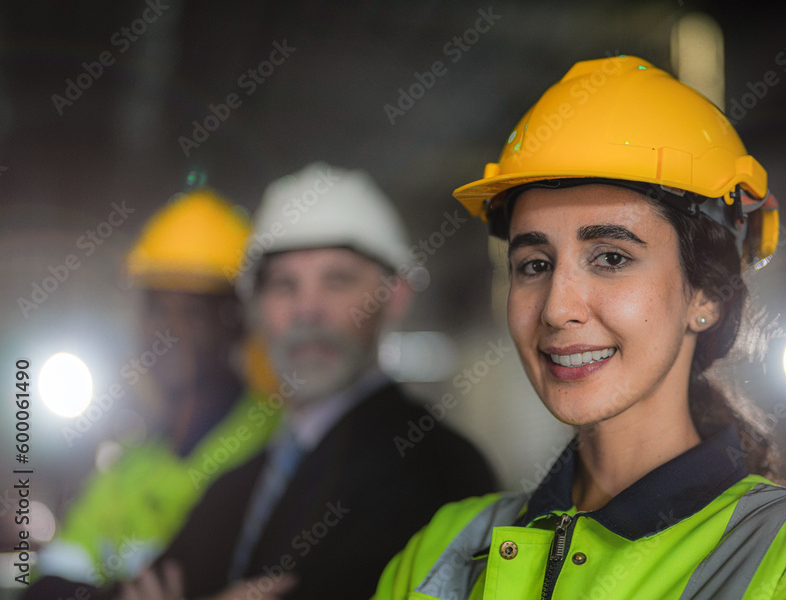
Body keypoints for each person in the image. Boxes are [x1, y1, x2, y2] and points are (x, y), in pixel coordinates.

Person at [374, 56, 786, 599]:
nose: (556, 309)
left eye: (611, 257)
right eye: (535, 264)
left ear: (705, 295)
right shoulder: (447, 547)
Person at [115, 163, 496, 600]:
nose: (307, 310)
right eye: (284, 285)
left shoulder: (441, 469)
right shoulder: (235, 486)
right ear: (254, 309)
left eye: (337, 281)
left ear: (394, 297)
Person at [28, 189, 281, 598]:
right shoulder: (133, 463)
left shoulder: (273, 445)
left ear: (236, 323)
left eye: (193, 313)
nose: (169, 330)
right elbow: (45, 585)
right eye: (157, 309)